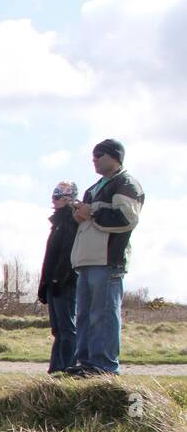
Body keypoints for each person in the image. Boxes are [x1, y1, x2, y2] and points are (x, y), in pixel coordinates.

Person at [68, 138, 145, 378]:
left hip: (108, 259)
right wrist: (80, 214)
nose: (94, 158)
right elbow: (90, 218)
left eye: (99, 154)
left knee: (103, 314)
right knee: (84, 315)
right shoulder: (94, 187)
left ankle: (104, 366)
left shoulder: (126, 183)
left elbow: (126, 219)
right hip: (87, 259)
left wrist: (92, 211)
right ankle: (86, 362)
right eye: (93, 155)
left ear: (115, 156)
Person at [38, 182, 81, 375]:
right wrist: (44, 283)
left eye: (58, 196)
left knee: (67, 327)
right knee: (58, 329)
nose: (54, 200)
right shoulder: (57, 223)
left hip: (66, 283)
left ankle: (67, 366)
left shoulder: (71, 221)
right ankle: (56, 368)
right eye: (54, 196)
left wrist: (58, 280)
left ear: (68, 198)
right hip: (53, 282)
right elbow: (50, 256)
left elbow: (67, 255)